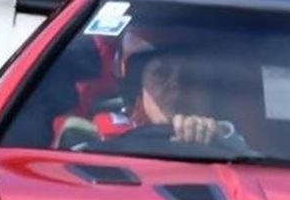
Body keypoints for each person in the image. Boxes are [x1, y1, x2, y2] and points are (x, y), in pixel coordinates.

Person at [53, 29, 223, 149]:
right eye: (161, 74)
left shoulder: (230, 141)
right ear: (137, 87)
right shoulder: (99, 138)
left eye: (189, 76)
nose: (175, 85)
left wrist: (215, 143)